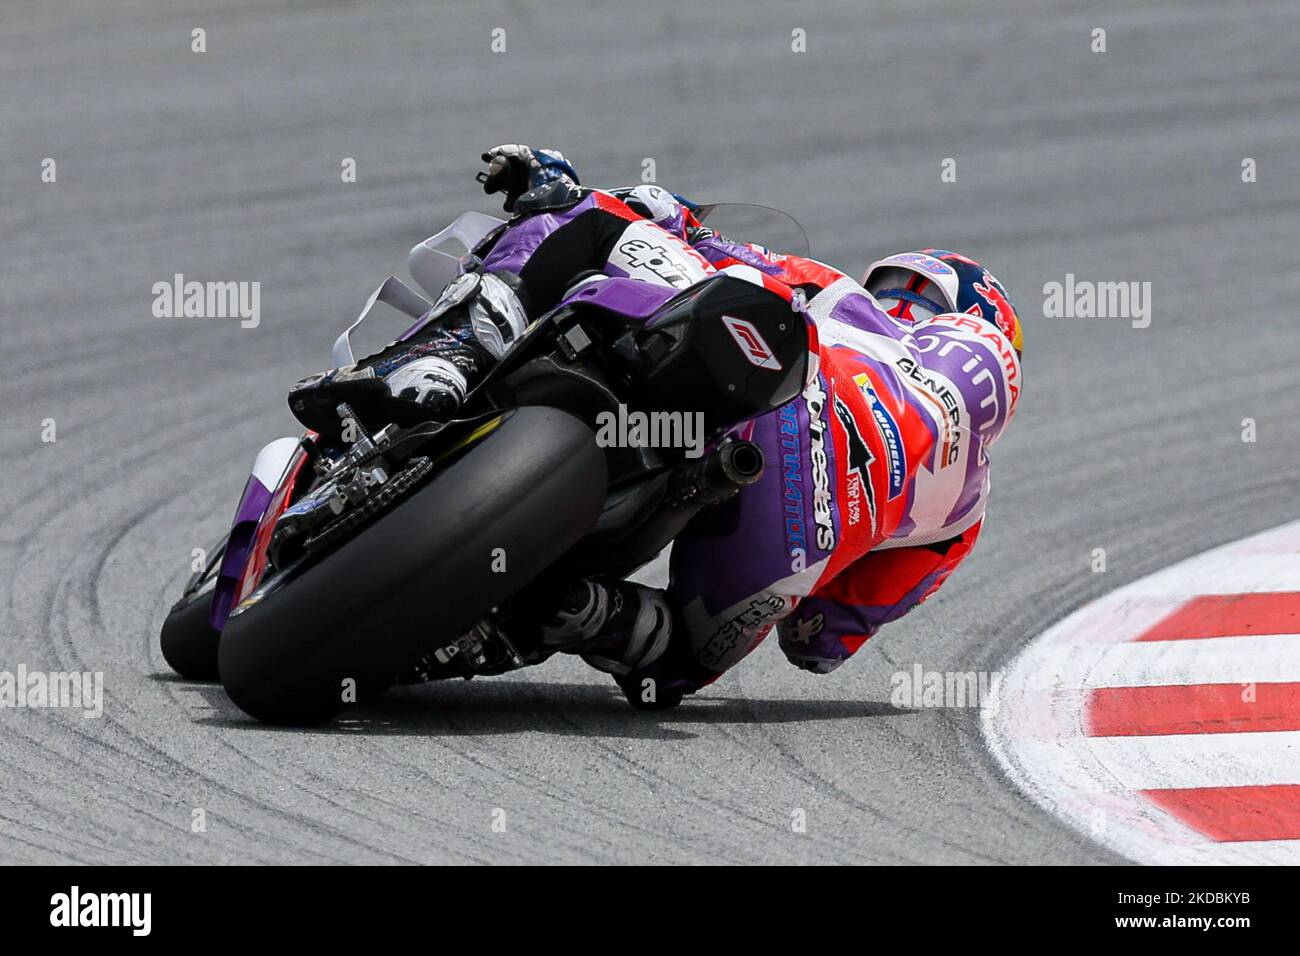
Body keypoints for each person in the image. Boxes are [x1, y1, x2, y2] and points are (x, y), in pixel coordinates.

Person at [289, 145, 1024, 709]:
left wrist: (561, 185)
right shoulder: (963, 516)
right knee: (673, 665)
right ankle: (582, 614)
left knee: (583, 221)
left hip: (779, 380)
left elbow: (674, 226)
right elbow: (818, 644)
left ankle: (445, 361)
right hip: (796, 531)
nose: (893, 297)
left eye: (904, 289)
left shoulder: (836, 295)